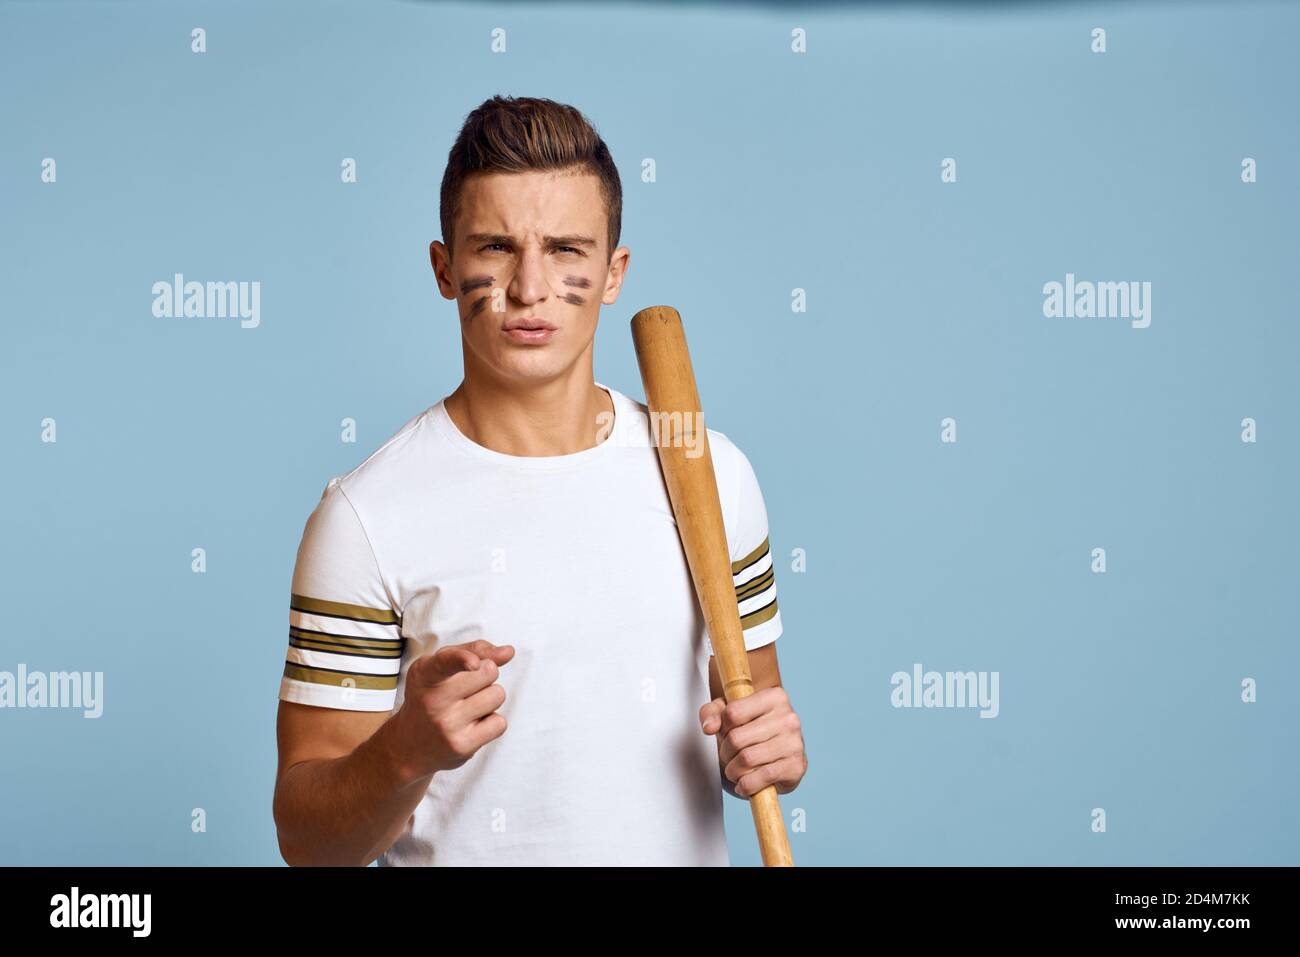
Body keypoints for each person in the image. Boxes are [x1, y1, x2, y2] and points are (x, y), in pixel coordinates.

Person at [271, 95, 807, 866]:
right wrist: (403, 752)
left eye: (565, 249)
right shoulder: (364, 516)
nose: (529, 287)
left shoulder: (715, 474)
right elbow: (306, 840)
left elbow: (752, 726)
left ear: (614, 271)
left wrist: (773, 752)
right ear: (444, 269)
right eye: (494, 247)